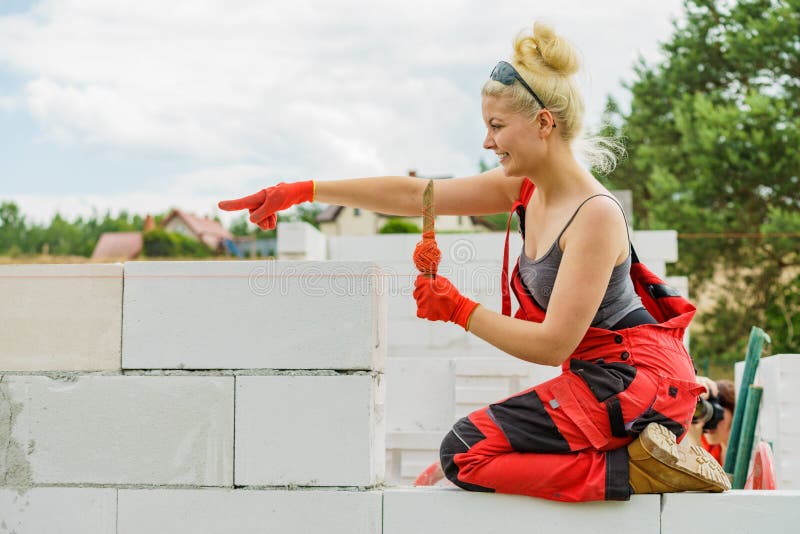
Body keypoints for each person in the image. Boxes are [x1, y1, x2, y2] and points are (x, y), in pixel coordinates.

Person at [218, 22, 730, 501]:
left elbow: (554, 343)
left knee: (463, 451)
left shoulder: (594, 215)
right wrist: (302, 190)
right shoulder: (526, 189)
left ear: (543, 124)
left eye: (497, 126)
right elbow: (419, 193)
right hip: (602, 377)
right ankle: (628, 465)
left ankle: (633, 471)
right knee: (462, 455)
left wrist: (458, 309)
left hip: (634, 383)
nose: (487, 142)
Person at [687, 377, 736, 465]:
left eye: (715, 411)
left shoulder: (747, 454)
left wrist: (696, 445)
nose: (708, 419)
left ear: (734, 411)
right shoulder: (710, 447)